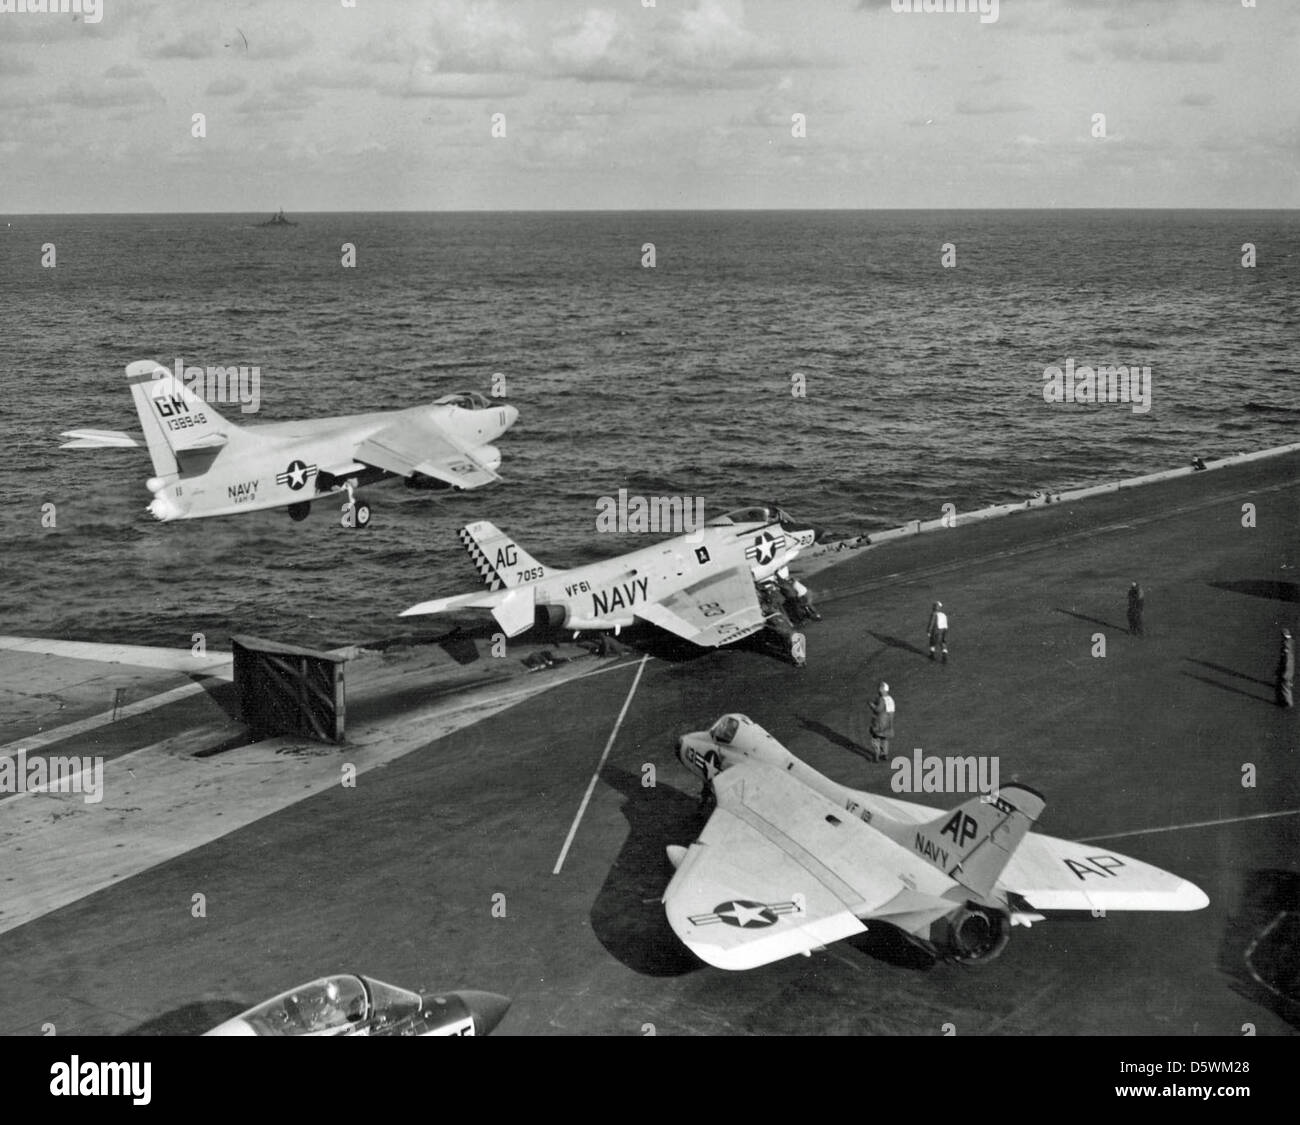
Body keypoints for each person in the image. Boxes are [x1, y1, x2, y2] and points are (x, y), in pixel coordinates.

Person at [869, 681, 894, 762]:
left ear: (883, 689)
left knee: (875, 738)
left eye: (880, 688)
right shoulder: (890, 699)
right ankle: (885, 754)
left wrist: (871, 705)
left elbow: (878, 710)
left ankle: (876, 756)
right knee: (885, 738)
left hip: (880, 723)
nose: (878, 690)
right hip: (888, 723)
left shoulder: (882, 699)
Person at [1277, 628, 1294, 709]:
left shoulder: (1286, 645)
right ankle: (1283, 700)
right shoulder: (1291, 642)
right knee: (1285, 685)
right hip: (1289, 669)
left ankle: (1288, 702)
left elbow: (1286, 660)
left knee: (1285, 686)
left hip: (1286, 670)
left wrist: (1285, 672)